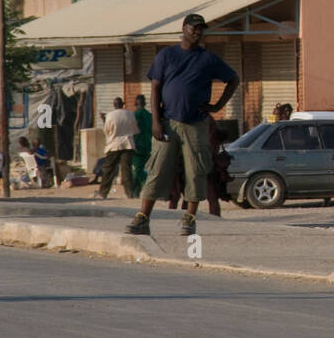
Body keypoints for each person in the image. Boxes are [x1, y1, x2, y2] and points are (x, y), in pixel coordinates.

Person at [125, 14, 239, 237]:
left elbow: (233, 79)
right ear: (184, 28)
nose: (198, 32)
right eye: (194, 28)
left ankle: (189, 218)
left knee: (196, 171)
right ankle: (142, 218)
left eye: (201, 29)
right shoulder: (167, 55)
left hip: (196, 125)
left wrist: (217, 105)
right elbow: (156, 88)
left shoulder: (208, 59)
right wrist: (157, 121)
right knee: (157, 169)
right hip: (168, 123)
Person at [96, 97, 138, 200]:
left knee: (109, 170)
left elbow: (107, 131)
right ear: (123, 104)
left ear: (114, 105)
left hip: (114, 145)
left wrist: (104, 119)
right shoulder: (130, 114)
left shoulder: (110, 115)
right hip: (128, 144)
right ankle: (130, 194)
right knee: (127, 170)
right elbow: (134, 130)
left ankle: (103, 193)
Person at [131, 93, 153, 196]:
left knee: (138, 170)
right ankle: (136, 191)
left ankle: (146, 184)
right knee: (142, 168)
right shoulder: (149, 115)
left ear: (136, 103)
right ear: (145, 103)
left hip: (137, 146)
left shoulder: (134, 115)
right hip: (148, 145)